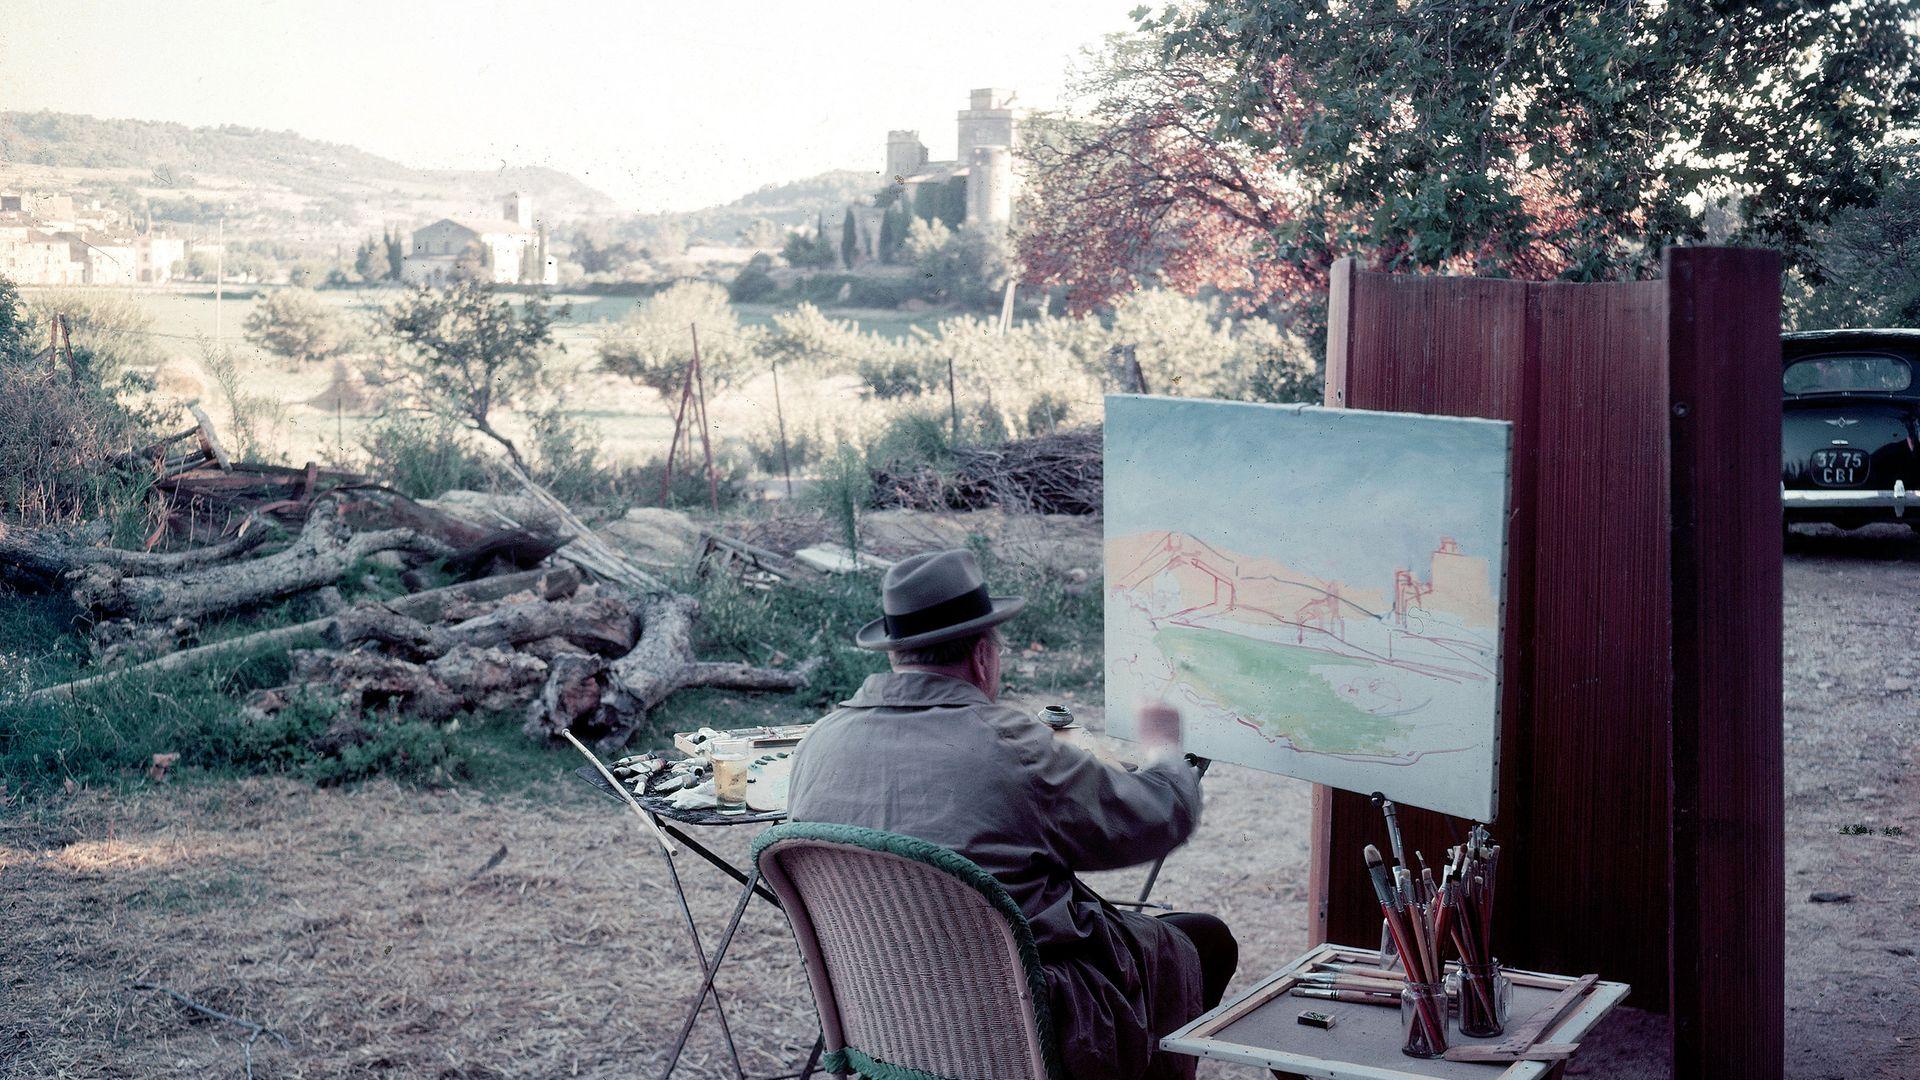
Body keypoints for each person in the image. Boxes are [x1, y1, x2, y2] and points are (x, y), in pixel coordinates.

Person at [788, 548, 1237, 1080]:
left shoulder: (817, 745)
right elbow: (1158, 817)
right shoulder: (1009, 746)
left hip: (887, 1022)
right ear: (983, 656)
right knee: (1205, 940)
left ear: (894, 653)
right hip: (1014, 1028)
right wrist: (1164, 750)